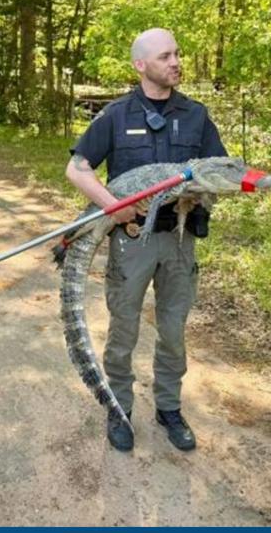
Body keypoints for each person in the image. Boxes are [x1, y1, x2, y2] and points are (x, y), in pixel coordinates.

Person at [65, 28, 227, 452]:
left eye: (177, 53)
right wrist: (111, 205)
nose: (176, 62)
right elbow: (77, 169)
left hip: (178, 240)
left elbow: (217, 169)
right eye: (165, 56)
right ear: (141, 65)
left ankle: (169, 407)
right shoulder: (116, 116)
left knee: (173, 330)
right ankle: (119, 407)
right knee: (123, 330)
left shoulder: (196, 115)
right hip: (130, 242)